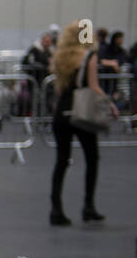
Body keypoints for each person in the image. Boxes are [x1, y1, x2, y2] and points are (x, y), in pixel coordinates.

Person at [48, 19, 116, 226]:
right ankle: (88, 206)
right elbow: (94, 87)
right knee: (92, 158)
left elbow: (59, 89)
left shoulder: (59, 58)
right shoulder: (89, 57)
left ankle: (56, 209)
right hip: (81, 112)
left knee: (61, 161)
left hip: (62, 113)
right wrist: (110, 104)